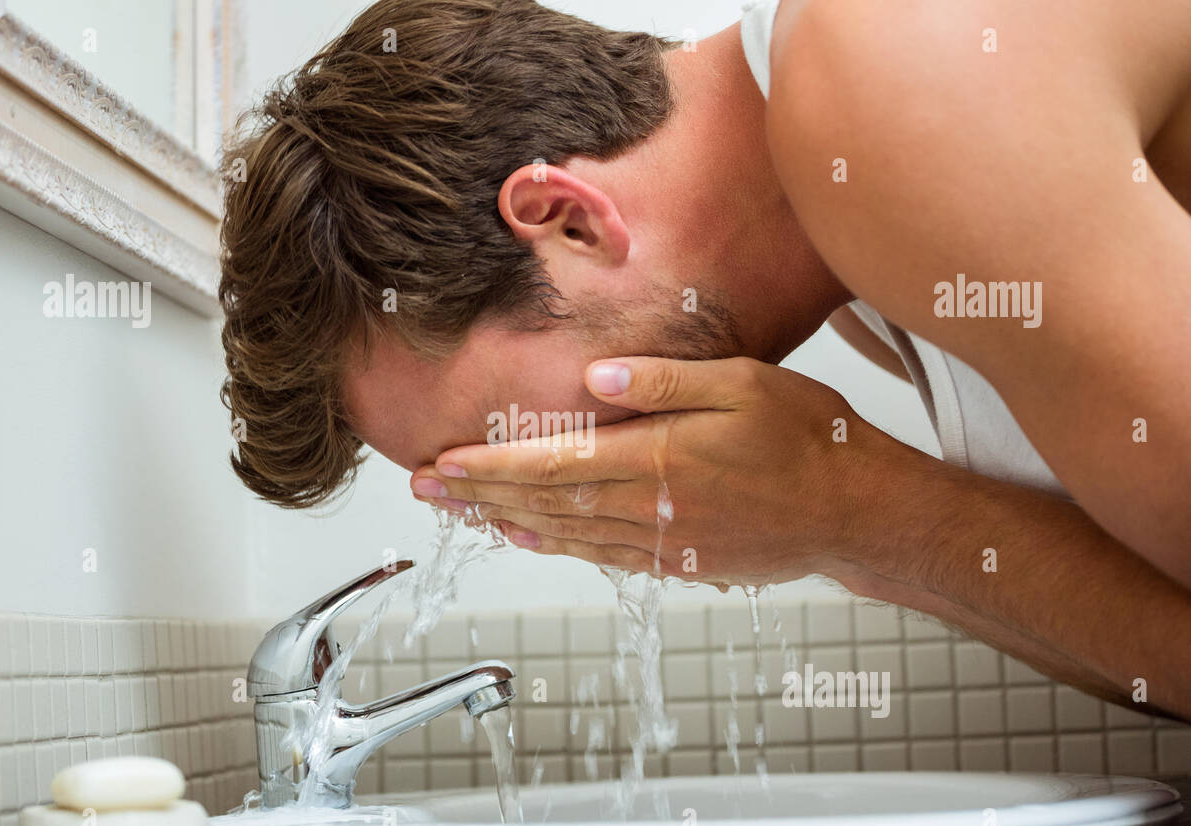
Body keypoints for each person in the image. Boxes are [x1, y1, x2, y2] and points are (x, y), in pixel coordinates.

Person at [218, 0, 1191, 719]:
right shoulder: (844, 273)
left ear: (567, 220)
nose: (552, 490)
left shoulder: (890, 89)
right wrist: (844, 531)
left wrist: (858, 503)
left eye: (508, 445)